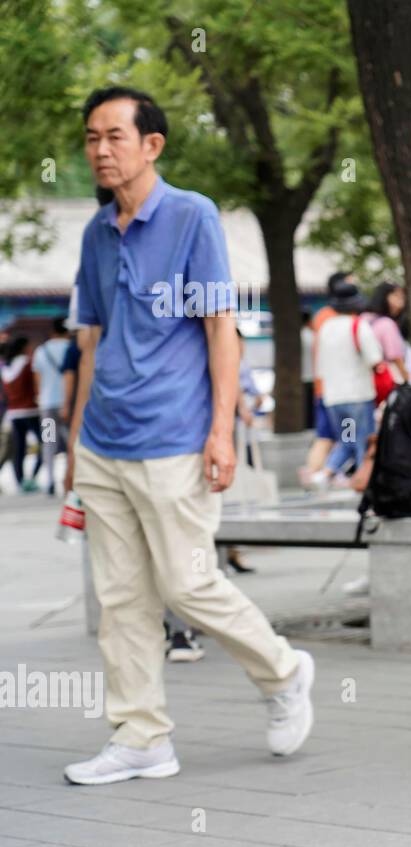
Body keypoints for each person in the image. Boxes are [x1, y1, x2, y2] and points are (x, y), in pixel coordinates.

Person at [63, 86, 313, 785]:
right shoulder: (94, 233)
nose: (101, 149)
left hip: (174, 436)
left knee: (188, 583)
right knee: (121, 599)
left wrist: (222, 431)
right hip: (103, 443)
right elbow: (91, 343)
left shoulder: (191, 216)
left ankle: (284, 671)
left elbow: (219, 329)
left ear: (152, 145)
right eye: (91, 137)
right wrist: (75, 443)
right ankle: (141, 736)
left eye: (114, 135)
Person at [305, 281, 382, 490]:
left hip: (334, 398)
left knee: (347, 440)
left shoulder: (325, 328)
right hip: (358, 397)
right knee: (363, 442)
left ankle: (324, 475)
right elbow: (375, 359)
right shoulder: (358, 325)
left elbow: (320, 367)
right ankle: (363, 483)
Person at [299, 272, 357, 484]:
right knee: (347, 436)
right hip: (342, 391)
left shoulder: (321, 317)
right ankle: (325, 473)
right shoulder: (340, 318)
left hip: (325, 388)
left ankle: (315, 475)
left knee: (327, 436)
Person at [32, 317, 71, 494]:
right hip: (67, 404)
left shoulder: (41, 351)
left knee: (49, 442)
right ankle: (71, 476)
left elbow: (37, 379)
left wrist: (41, 398)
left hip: (47, 405)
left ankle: (50, 480)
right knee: (71, 441)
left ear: (52, 331)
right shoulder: (71, 348)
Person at [2, 337, 42, 492]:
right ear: (24, 347)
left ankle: (21, 481)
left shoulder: (6, 367)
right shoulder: (29, 363)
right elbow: (36, 384)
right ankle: (35, 477)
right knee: (48, 443)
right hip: (38, 410)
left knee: (19, 448)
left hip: (14, 413)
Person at [362, 282, 410, 384]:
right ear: (384, 296)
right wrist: (407, 379)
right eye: (397, 297)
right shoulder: (387, 324)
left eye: (402, 298)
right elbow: (396, 358)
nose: (401, 303)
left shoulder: (363, 318)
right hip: (385, 382)